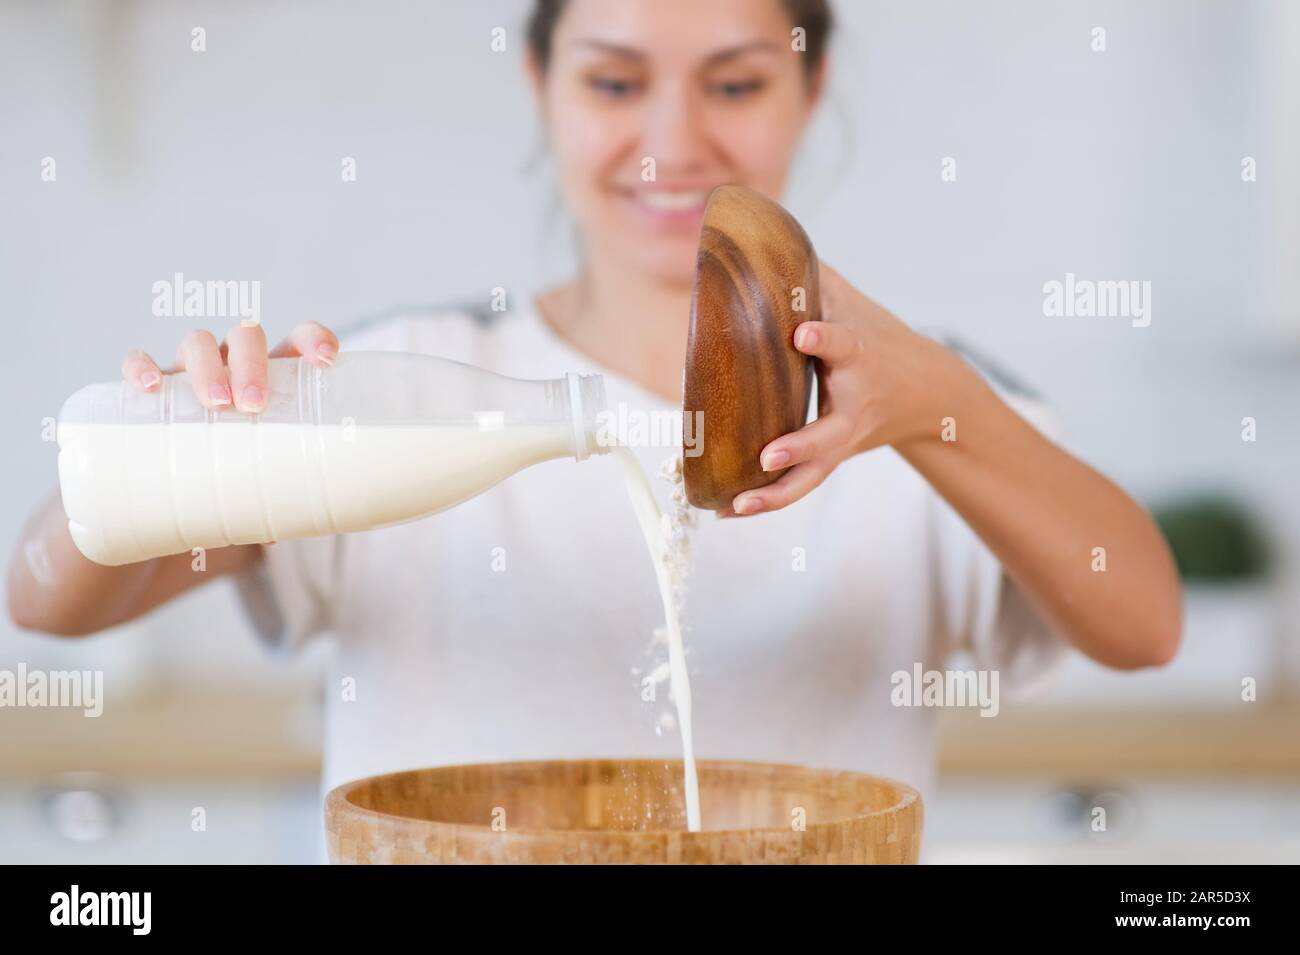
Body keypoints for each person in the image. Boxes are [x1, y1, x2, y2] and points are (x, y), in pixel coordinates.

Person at [7, 0, 1181, 827]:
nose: (671, 144)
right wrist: (187, 448)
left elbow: (1144, 625)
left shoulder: (913, 409)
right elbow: (48, 594)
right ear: (541, 84)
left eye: (734, 83)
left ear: (810, 87)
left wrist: (942, 409)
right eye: (614, 82)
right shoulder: (399, 380)